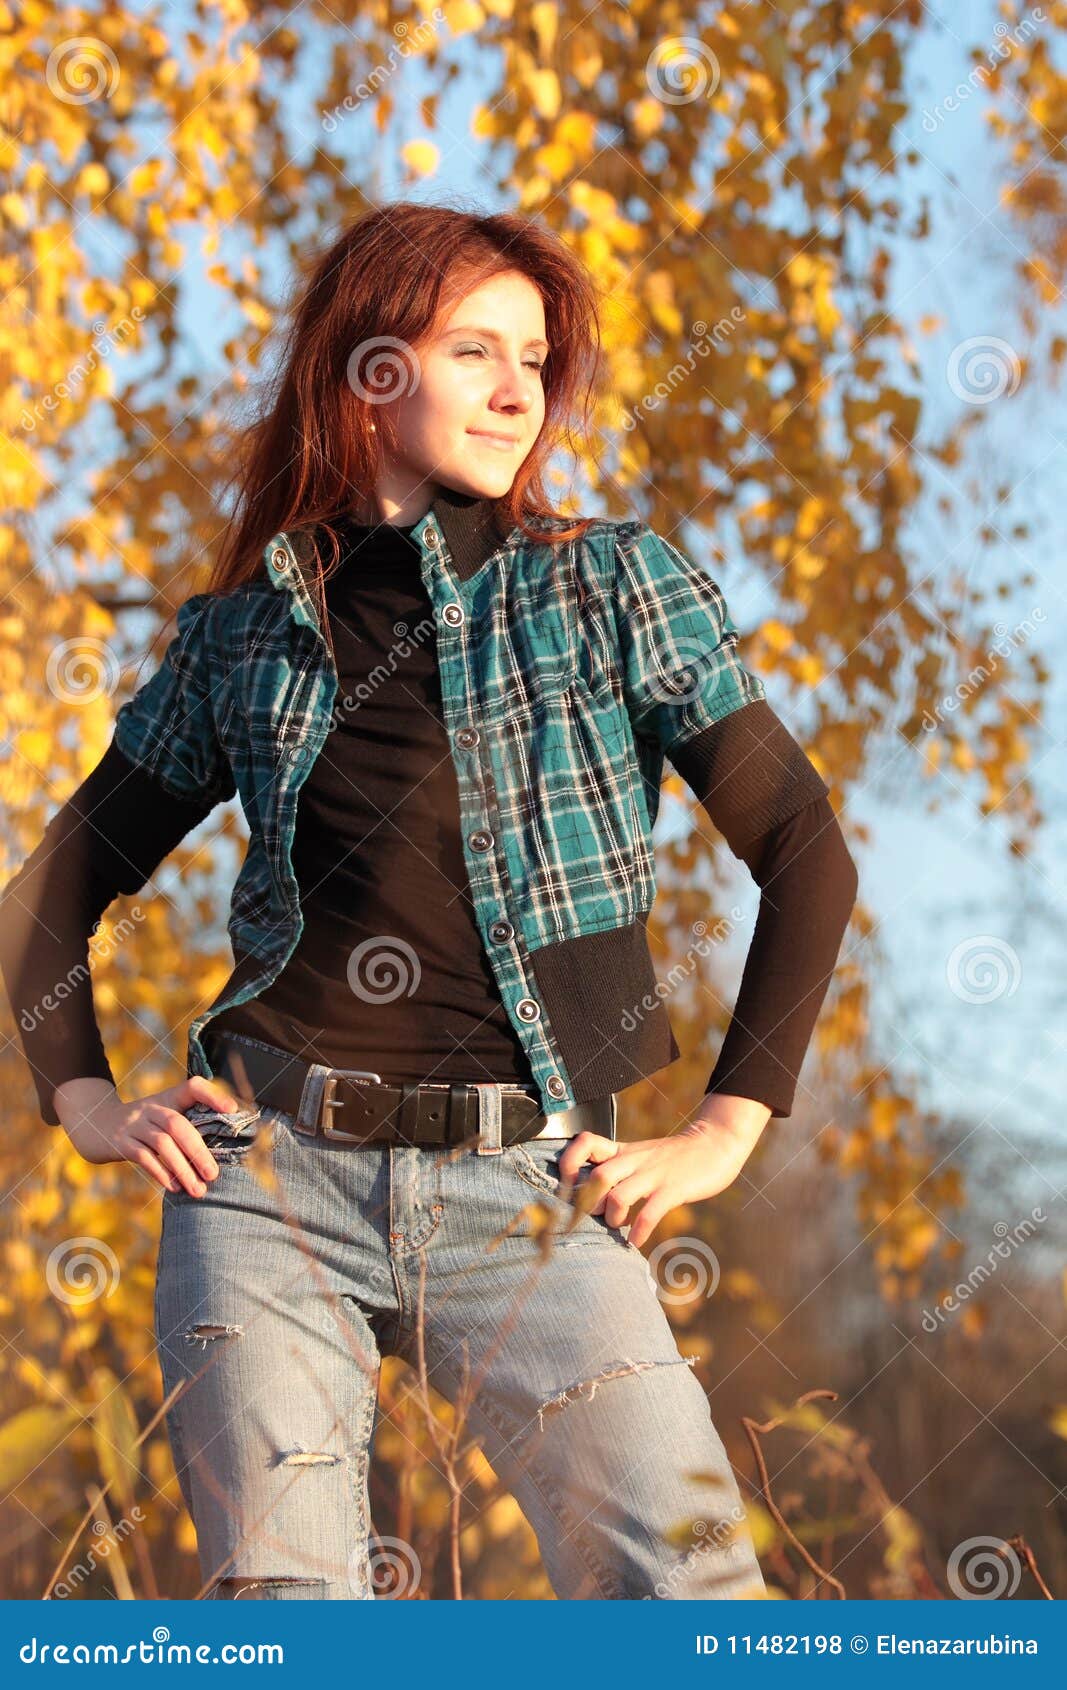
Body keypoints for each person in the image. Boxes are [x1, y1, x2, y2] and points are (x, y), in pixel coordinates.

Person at [0, 203, 857, 1600]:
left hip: (530, 1188)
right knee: (288, 1617)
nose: (524, 388)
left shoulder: (607, 583)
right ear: (368, 372)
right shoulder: (241, 636)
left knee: (693, 1598)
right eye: (477, 349)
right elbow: (50, 893)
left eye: (536, 357)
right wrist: (88, 1104)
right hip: (263, 1186)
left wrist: (725, 1124)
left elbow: (805, 842)